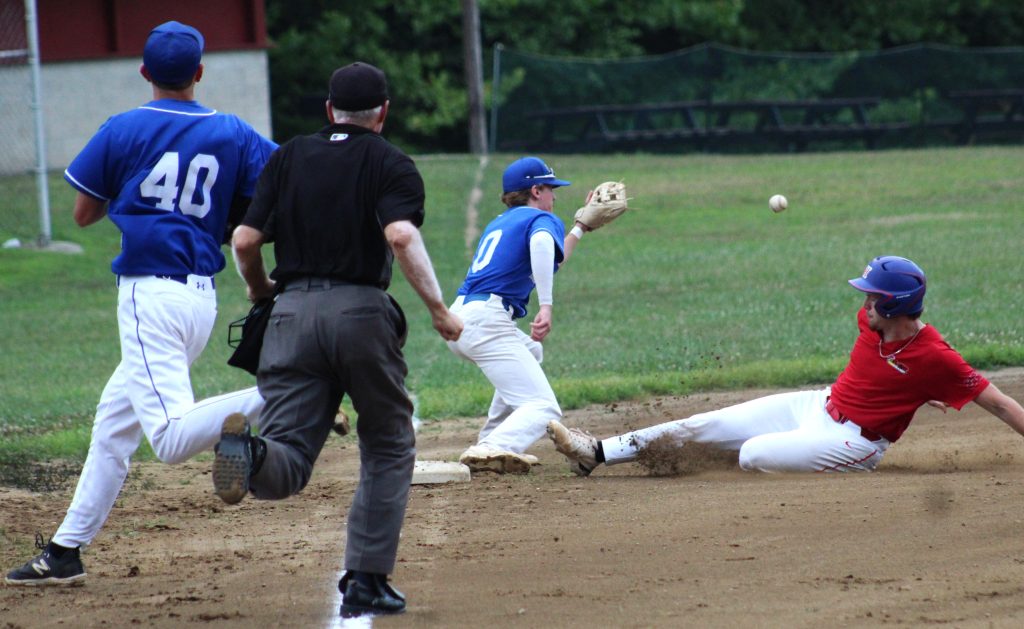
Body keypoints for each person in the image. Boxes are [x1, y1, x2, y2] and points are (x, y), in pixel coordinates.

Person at [4, 21, 276, 587]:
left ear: (144, 72)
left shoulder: (124, 126)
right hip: (199, 300)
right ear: (200, 73)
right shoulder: (232, 130)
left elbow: (84, 213)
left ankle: (289, 390)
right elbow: (276, 187)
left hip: (150, 295)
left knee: (170, 439)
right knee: (113, 427)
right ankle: (65, 550)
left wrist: (135, 186)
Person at [223, 61, 463, 618]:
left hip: (290, 315)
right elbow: (400, 236)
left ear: (329, 110)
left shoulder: (288, 157)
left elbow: (245, 240)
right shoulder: (390, 161)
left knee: (289, 451)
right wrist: (438, 310)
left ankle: (252, 455)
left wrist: (261, 292)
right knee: (388, 441)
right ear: (383, 113)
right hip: (359, 314)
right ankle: (366, 580)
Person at [548, 255, 1024, 476]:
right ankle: (598, 452)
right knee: (706, 423)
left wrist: (928, 386)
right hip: (816, 405)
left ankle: (720, 456)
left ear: (895, 305)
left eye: (873, 296)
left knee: (753, 453)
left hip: (854, 442)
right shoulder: (871, 321)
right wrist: (920, 391)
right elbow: (893, 374)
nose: (864, 303)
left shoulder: (936, 357)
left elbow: (1001, 404)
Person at [448, 156, 592, 474]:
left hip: (462, 319)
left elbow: (550, 259)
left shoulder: (503, 221)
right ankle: (493, 446)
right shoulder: (539, 219)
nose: (554, 196)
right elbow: (541, 243)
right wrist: (546, 305)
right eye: (551, 189)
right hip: (487, 322)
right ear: (536, 191)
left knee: (532, 351)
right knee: (543, 407)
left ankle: (490, 438)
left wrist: (581, 228)